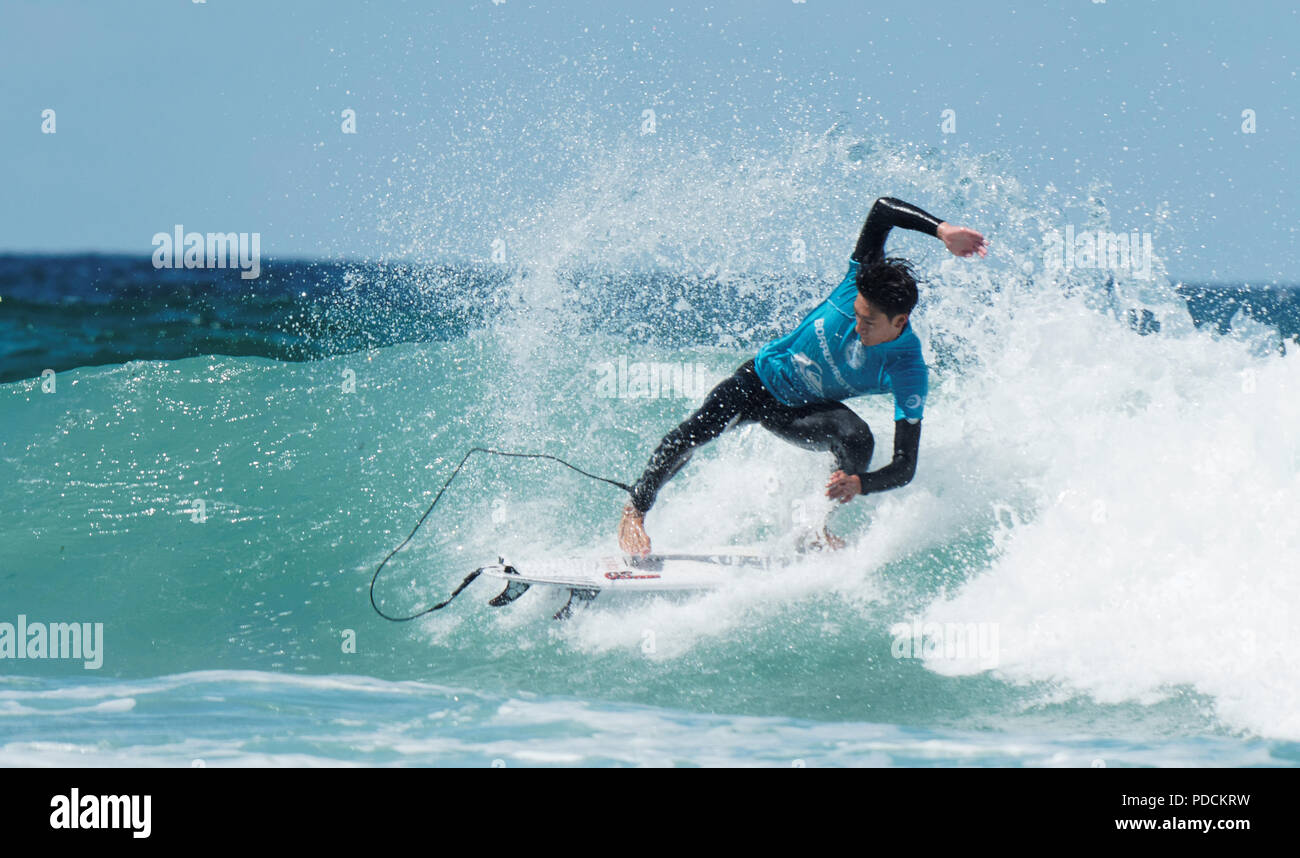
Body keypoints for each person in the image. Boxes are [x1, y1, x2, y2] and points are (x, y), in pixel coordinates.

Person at [617, 197, 987, 556]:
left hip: (799, 412)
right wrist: (941, 230)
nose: (856, 327)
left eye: (868, 322)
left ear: (899, 322)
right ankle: (635, 509)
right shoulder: (856, 281)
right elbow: (883, 209)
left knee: (858, 439)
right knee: (696, 431)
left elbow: (905, 466)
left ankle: (814, 526)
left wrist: (860, 483)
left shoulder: (908, 370)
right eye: (856, 314)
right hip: (759, 380)